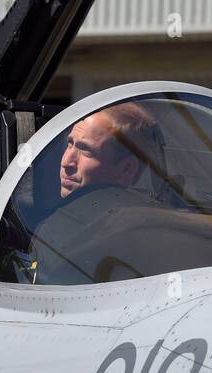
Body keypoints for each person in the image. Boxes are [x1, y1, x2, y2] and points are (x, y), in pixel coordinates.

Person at [25, 102, 162, 285]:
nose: (66, 162)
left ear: (127, 169)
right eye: (70, 143)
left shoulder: (62, 231)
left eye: (86, 150)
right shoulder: (156, 222)